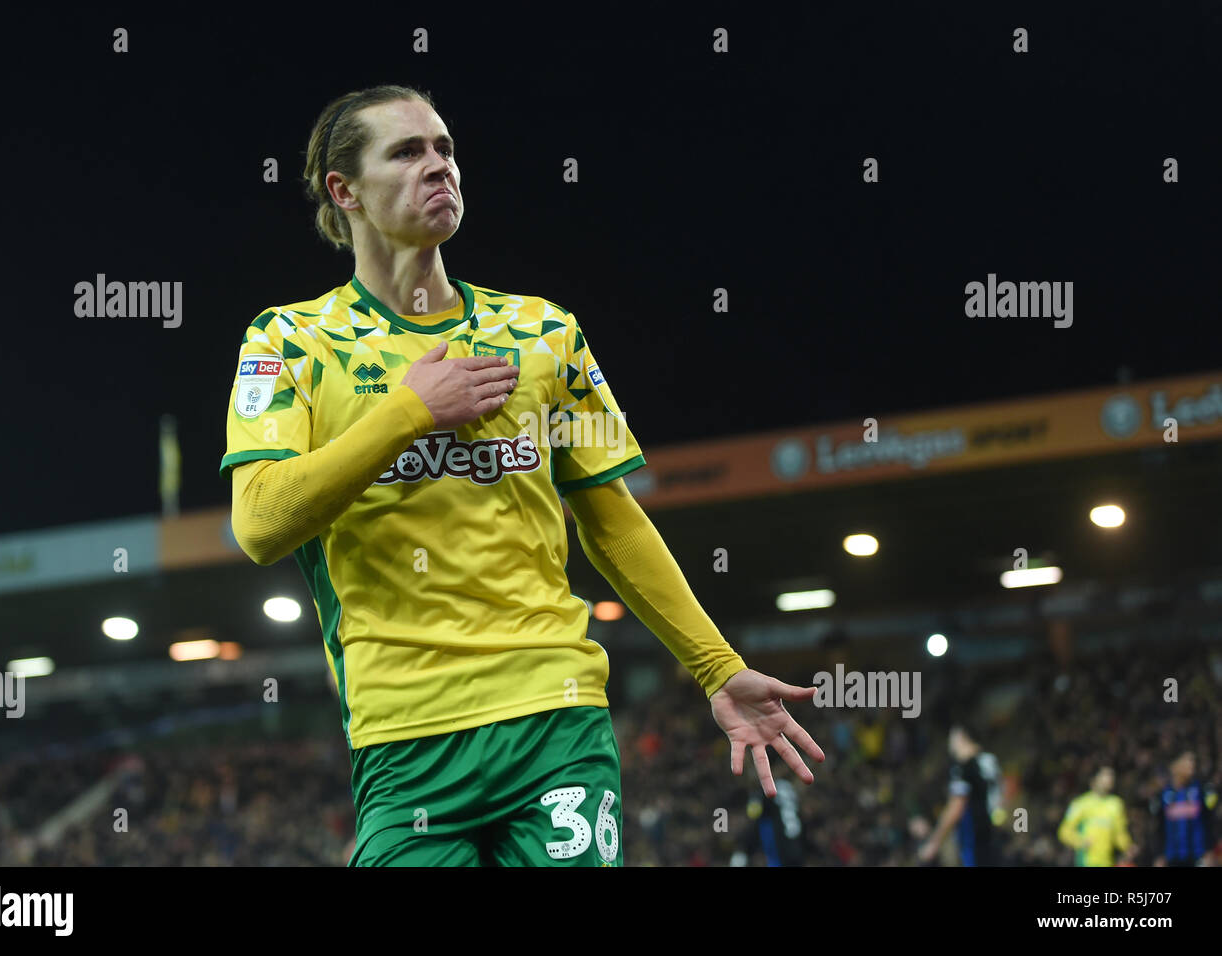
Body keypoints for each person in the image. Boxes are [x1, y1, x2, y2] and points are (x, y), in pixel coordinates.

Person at [220, 84, 824, 866]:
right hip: (403, 737)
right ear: (346, 192)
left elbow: (611, 517)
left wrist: (716, 666)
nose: (439, 166)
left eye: (444, 148)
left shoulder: (546, 330)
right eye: (406, 152)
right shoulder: (287, 341)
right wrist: (406, 414)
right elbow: (260, 524)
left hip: (555, 717)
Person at [918, 724, 1002, 866]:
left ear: (962, 737)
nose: (950, 744)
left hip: (973, 835)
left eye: (952, 739)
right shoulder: (989, 761)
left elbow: (956, 807)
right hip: (994, 833)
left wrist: (934, 842)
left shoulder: (962, 768)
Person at [1057, 765, 1133, 866]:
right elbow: (1064, 832)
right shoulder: (1080, 804)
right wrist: (1081, 842)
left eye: (1111, 776)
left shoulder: (1116, 804)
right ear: (1094, 779)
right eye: (1105, 775)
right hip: (1085, 861)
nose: (1109, 779)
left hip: (1107, 862)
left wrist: (1128, 847)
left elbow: (1119, 833)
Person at [1152, 751, 1217, 866]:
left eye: (1193, 761)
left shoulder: (1200, 790)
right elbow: (1158, 827)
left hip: (1198, 856)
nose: (1192, 764)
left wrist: (1210, 850)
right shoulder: (1164, 794)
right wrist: (1159, 855)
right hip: (1172, 857)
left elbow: (1210, 822)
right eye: (1187, 761)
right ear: (1175, 767)